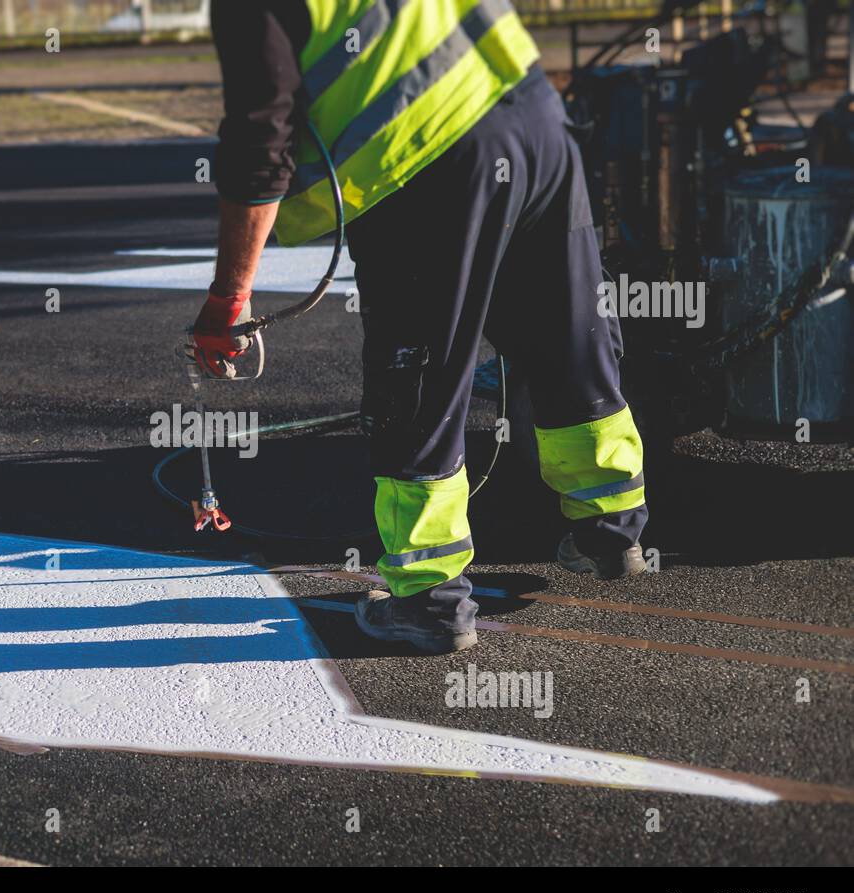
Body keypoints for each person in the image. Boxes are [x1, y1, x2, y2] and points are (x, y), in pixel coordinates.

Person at [193, 0, 648, 654]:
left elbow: (261, 140)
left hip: (427, 157)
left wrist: (229, 296)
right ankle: (612, 528)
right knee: (567, 334)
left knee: (417, 382)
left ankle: (429, 599)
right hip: (533, 114)